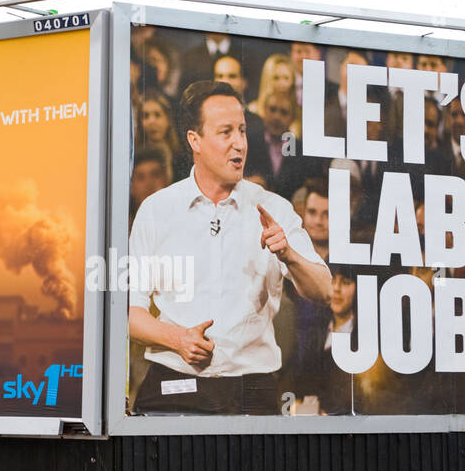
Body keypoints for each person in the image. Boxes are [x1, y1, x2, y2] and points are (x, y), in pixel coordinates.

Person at [128, 80, 331, 415]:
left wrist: (289, 256)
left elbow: (323, 290)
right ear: (195, 140)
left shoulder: (274, 209)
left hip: (252, 389)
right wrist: (178, 339)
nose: (239, 143)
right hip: (176, 385)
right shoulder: (156, 210)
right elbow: (133, 316)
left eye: (242, 131)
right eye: (226, 132)